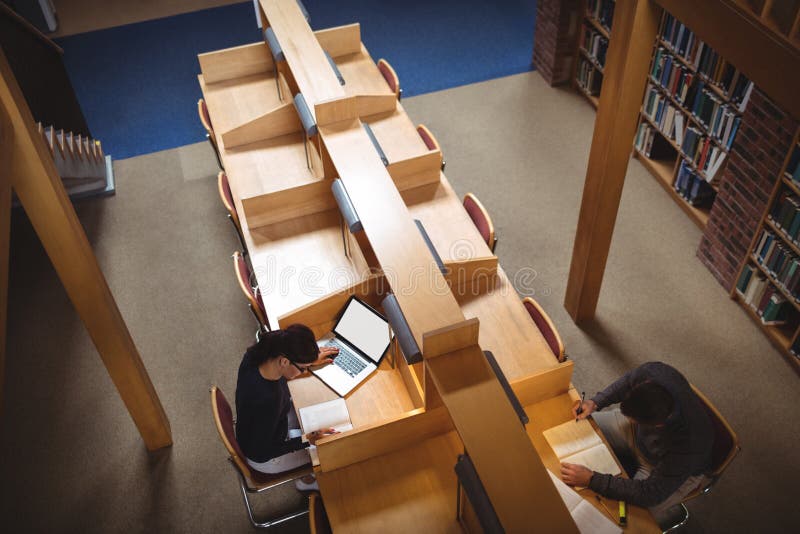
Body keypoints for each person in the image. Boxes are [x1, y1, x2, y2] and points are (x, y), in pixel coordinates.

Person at [560, 361, 714, 526]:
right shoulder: (655, 373)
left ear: (658, 425)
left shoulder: (689, 444)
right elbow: (626, 383)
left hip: (664, 467)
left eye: (632, 418)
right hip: (639, 435)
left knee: (621, 520)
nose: (627, 418)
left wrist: (592, 480)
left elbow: (650, 493)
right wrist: (595, 402)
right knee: (580, 428)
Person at [235, 324, 339, 488]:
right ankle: (307, 481)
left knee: (312, 408)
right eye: (303, 368)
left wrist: (309, 360)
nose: (304, 371)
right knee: (328, 449)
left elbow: (285, 340)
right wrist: (307, 440)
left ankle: (298, 435)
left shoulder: (258, 355)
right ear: (284, 361)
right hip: (265, 457)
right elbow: (266, 450)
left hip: (261, 427)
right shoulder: (267, 399)